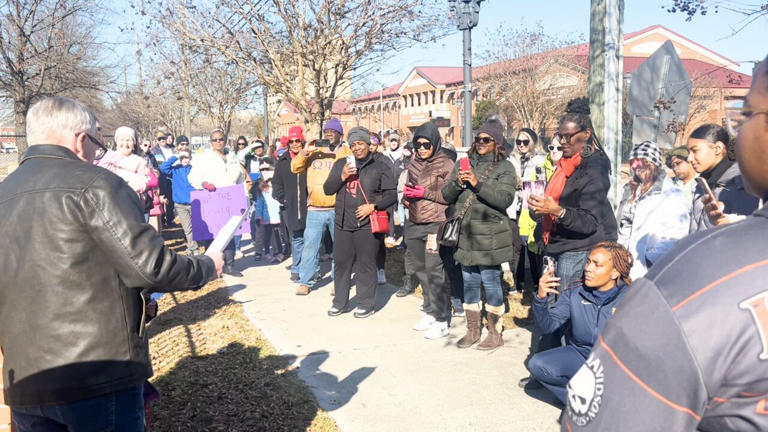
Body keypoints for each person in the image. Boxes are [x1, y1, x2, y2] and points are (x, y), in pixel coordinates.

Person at [559, 55, 768, 432]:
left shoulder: (701, 270)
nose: (739, 132)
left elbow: (605, 420)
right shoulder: (635, 195)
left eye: (747, 114)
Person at [0, 96, 223, 431]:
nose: (97, 154)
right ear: (80, 140)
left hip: (28, 381)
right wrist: (206, 265)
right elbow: (151, 266)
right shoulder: (96, 184)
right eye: (97, 144)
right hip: (97, 376)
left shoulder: (4, 194)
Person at [442, 120, 518, 350]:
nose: (481, 143)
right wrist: (458, 182)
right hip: (466, 234)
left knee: (491, 282)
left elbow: (505, 199)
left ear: (497, 143)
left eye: (487, 139)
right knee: (470, 282)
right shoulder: (463, 163)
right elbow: (446, 195)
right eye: (478, 139)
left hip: (490, 235)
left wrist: (476, 184)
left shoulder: (505, 167)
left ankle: (495, 331)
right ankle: (473, 329)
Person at [528, 242, 632, 405]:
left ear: (614, 273)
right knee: (537, 364)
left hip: (615, 362)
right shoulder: (575, 291)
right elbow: (547, 326)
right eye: (588, 262)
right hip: (580, 354)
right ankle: (581, 403)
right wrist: (540, 299)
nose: (588, 268)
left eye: (597, 265)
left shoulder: (631, 297)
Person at [323, 127, 397, 318]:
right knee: (341, 264)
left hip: (366, 224)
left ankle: (366, 303)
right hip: (342, 223)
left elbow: (391, 195)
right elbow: (328, 189)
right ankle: (340, 302)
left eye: (360, 144)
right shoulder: (341, 164)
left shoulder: (380, 166)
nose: (357, 148)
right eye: (353, 144)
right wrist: (342, 176)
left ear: (368, 145)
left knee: (366, 264)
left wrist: (373, 206)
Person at [403, 121, 455, 339]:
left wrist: (425, 192)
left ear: (435, 142)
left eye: (426, 145)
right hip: (415, 221)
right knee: (420, 268)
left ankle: (443, 318)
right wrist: (408, 196)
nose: (422, 149)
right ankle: (430, 310)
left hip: (436, 222)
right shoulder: (414, 161)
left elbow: (449, 195)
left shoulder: (447, 163)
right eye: (418, 145)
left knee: (435, 269)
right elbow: (408, 188)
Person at [291, 125, 352, 295]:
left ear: (340, 134)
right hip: (315, 209)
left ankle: (337, 281)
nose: (329, 135)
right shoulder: (313, 151)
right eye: (327, 133)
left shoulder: (346, 151)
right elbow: (294, 168)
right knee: (310, 246)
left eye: (333, 132)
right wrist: (305, 151)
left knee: (339, 248)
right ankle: (305, 282)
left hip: (337, 207)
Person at [616, 141, 689, 279]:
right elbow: (622, 224)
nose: (636, 168)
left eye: (641, 163)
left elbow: (677, 235)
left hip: (647, 270)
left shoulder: (671, 194)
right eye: (633, 163)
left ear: (653, 164)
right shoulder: (629, 190)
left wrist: (650, 258)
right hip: (622, 265)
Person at [188, 128, 247, 277]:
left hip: (230, 199)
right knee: (213, 235)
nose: (218, 142)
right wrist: (204, 183)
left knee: (230, 233)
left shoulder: (232, 156)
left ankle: (229, 265)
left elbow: (240, 177)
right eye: (215, 140)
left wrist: (243, 195)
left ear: (225, 140)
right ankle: (211, 266)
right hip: (212, 199)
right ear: (211, 142)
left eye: (221, 139)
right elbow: (192, 176)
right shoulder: (204, 158)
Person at [687, 123, 759, 232]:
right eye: (689, 152)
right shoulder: (702, 185)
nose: (689, 158)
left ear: (717, 149)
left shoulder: (742, 185)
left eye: (695, 151)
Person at [511, 127, 548, 292]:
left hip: (532, 209)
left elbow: (542, 183)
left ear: (533, 143)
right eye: (519, 142)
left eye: (525, 142)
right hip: (514, 208)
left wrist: (524, 184)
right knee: (516, 247)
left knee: (533, 246)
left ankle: (535, 282)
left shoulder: (540, 160)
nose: (521, 145)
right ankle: (517, 283)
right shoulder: (511, 159)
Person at [273, 134, 309, 281]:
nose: (295, 144)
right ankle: (297, 268)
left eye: (298, 141)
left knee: (312, 238)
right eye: (292, 141)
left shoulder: (310, 158)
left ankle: (312, 268)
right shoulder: (283, 161)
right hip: (291, 205)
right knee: (297, 237)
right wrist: (283, 198)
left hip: (309, 204)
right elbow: (276, 183)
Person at [160, 150, 199, 255]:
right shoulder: (175, 170)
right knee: (188, 228)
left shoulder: (194, 170)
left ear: (190, 158)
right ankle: (194, 249)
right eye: (182, 158)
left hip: (194, 203)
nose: (184, 160)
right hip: (180, 205)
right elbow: (163, 168)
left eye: (186, 158)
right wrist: (176, 156)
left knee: (196, 227)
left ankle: (190, 249)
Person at [150, 131, 176, 226]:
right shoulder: (154, 151)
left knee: (170, 198)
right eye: (160, 139)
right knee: (161, 198)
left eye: (163, 138)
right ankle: (162, 219)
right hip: (160, 177)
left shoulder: (173, 149)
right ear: (157, 140)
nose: (162, 140)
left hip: (172, 177)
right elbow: (153, 165)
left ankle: (170, 219)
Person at [665, 146, 698, 210]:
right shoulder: (670, 184)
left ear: (690, 161)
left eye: (678, 163)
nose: (675, 168)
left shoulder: (702, 184)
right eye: (673, 166)